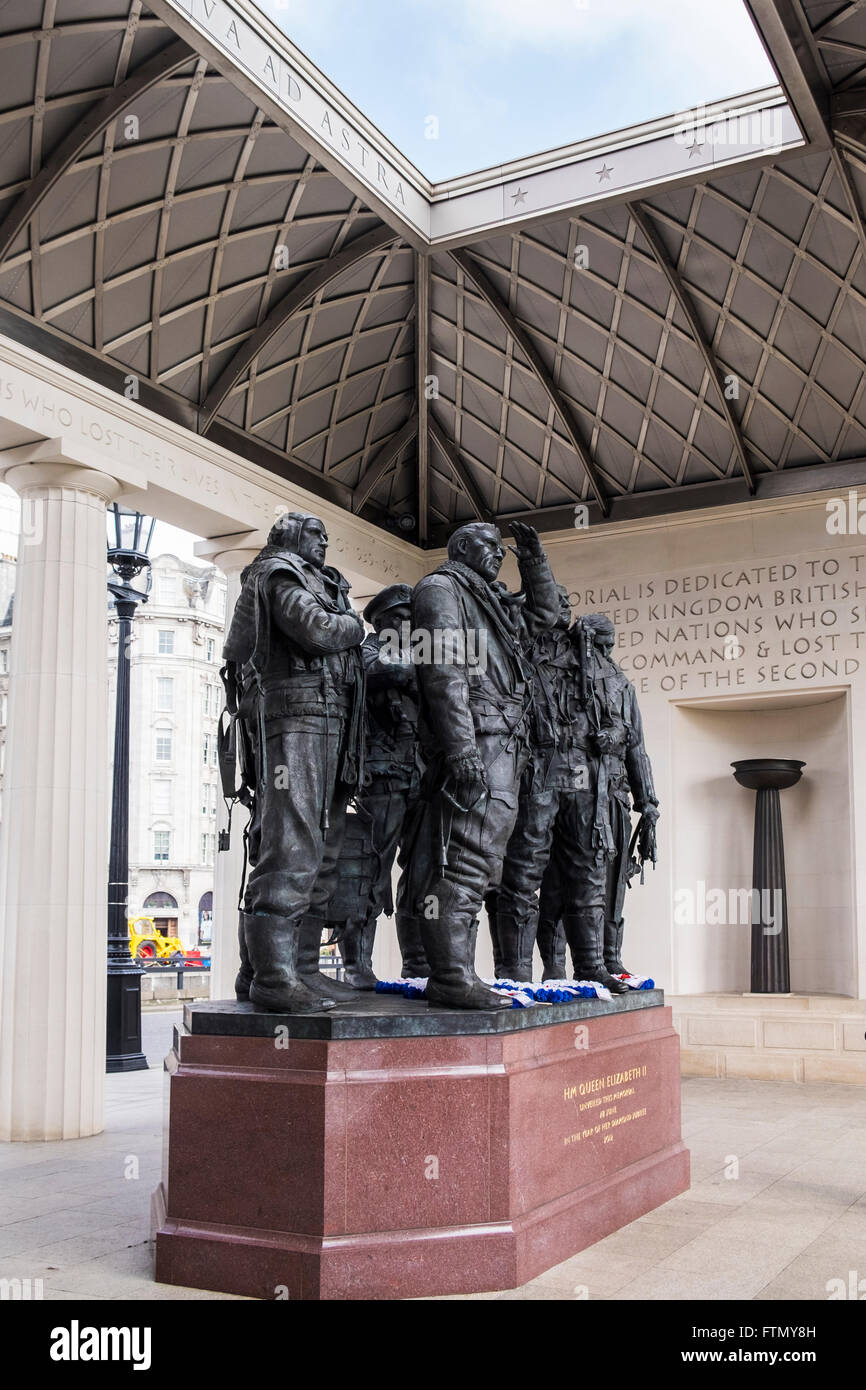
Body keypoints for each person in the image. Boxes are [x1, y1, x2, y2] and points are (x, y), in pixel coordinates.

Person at [402, 520, 559, 1009]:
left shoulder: (487, 599)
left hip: (504, 742)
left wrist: (534, 562)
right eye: (490, 548)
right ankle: (451, 976)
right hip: (479, 742)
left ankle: (459, 972)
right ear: (463, 547)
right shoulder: (441, 589)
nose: (498, 556)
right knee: (464, 855)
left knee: (485, 860)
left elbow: (545, 615)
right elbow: (442, 672)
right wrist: (461, 748)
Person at [221, 511, 365, 1013]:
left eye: (326, 535)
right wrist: (356, 625)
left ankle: (298, 968)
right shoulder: (280, 572)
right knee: (292, 843)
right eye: (315, 533)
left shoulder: (314, 578)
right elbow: (320, 631)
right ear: (289, 536)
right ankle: (271, 977)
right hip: (296, 717)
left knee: (324, 847)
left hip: (328, 720)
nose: (324, 541)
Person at [327, 584, 428, 988]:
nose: (409, 625)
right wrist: (420, 673)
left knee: (422, 874)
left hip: (421, 776)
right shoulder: (367, 651)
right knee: (370, 870)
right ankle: (357, 964)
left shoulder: (420, 655)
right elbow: (381, 672)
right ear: (383, 622)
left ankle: (419, 962)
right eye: (402, 619)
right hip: (383, 776)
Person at [485, 584, 581, 981]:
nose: (562, 609)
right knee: (519, 872)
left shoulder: (582, 658)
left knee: (563, 873)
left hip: (572, 776)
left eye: (565, 603)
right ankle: (514, 970)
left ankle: (556, 968)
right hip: (526, 769)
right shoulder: (516, 645)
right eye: (556, 602)